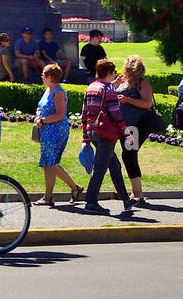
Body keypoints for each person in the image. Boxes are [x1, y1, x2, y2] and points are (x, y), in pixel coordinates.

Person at [80, 58, 134, 215]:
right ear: (109, 73)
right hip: (105, 133)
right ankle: (90, 201)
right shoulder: (108, 89)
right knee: (100, 168)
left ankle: (126, 199)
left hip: (92, 130)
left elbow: (84, 113)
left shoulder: (91, 87)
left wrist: (85, 137)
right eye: (113, 73)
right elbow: (116, 113)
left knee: (114, 165)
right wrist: (126, 133)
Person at [33, 62, 81, 206]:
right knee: (49, 163)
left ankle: (48, 197)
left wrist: (43, 120)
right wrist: (38, 118)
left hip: (56, 131)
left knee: (50, 164)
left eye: (43, 74)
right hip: (46, 130)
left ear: (49, 77)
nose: (41, 77)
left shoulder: (58, 92)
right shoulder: (48, 90)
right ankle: (75, 188)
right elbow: (42, 109)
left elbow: (60, 115)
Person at [115, 55, 155, 206]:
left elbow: (147, 104)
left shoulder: (142, 83)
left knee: (129, 155)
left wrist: (128, 100)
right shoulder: (123, 82)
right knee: (128, 155)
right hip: (124, 125)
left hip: (136, 126)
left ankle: (138, 193)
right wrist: (117, 83)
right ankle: (136, 192)